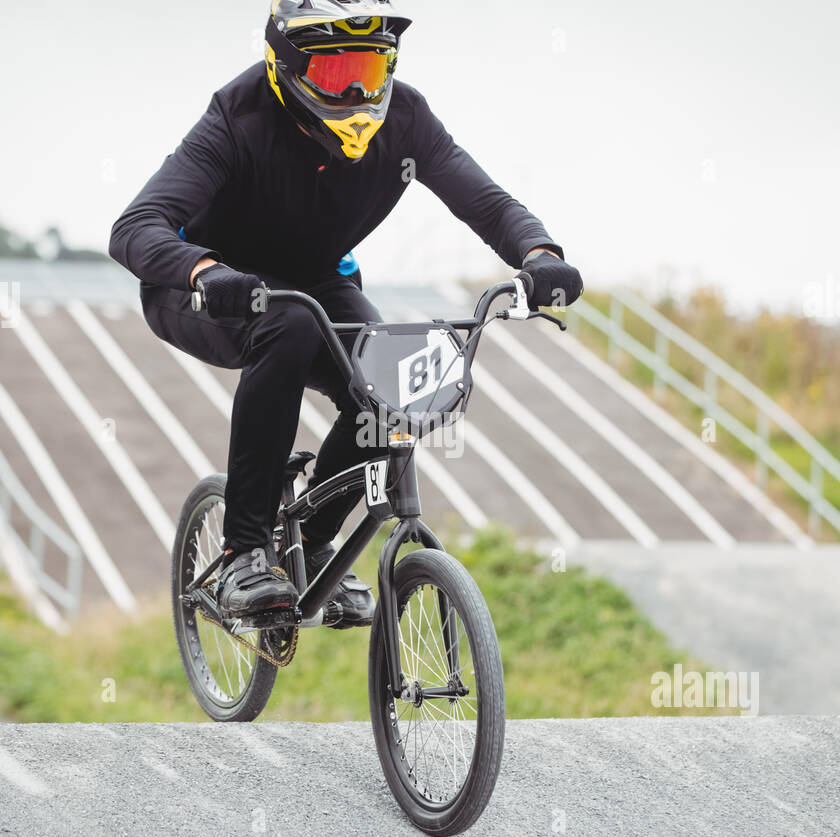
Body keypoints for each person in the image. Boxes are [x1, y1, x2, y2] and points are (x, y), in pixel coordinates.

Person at [110, 0, 582, 627]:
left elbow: (487, 202)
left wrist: (540, 253)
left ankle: (315, 540)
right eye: (336, 75)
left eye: (371, 67)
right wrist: (204, 271)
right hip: (204, 289)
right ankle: (243, 553)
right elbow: (134, 228)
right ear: (288, 66)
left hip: (313, 281)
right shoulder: (238, 115)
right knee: (291, 325)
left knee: (394, 374)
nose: (359, 91)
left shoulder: (406, 118)